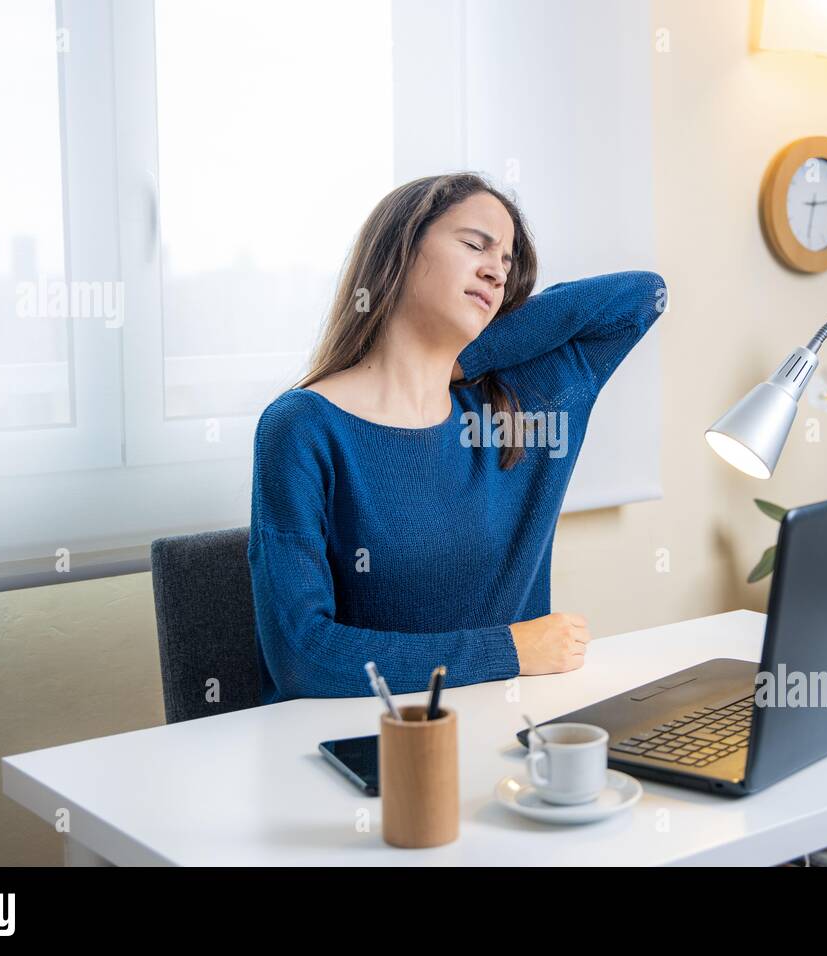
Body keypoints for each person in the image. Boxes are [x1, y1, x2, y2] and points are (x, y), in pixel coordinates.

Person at [248, 171, 668, 702]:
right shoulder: (302, 427)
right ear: (399, 252)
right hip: (368, 739)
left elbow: (642, 296)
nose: (496, 271)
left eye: (507, 263)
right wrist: (509, 650)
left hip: (506, 729)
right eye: (475, 245)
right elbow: (302, 658)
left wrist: (465, 355)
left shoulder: (516, 413)